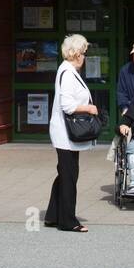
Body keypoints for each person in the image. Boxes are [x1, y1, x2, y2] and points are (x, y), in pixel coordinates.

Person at [46, 33, 97, 233]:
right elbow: (67, 105)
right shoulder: (67, 73)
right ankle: (68, 221)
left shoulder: (66, 70)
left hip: (63, 133)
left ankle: (53, 214)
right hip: (65, 134)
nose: (84, 57)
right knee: (69, 175)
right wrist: (89, 109)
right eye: (83, 52)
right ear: (76, 53)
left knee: (65, 173)